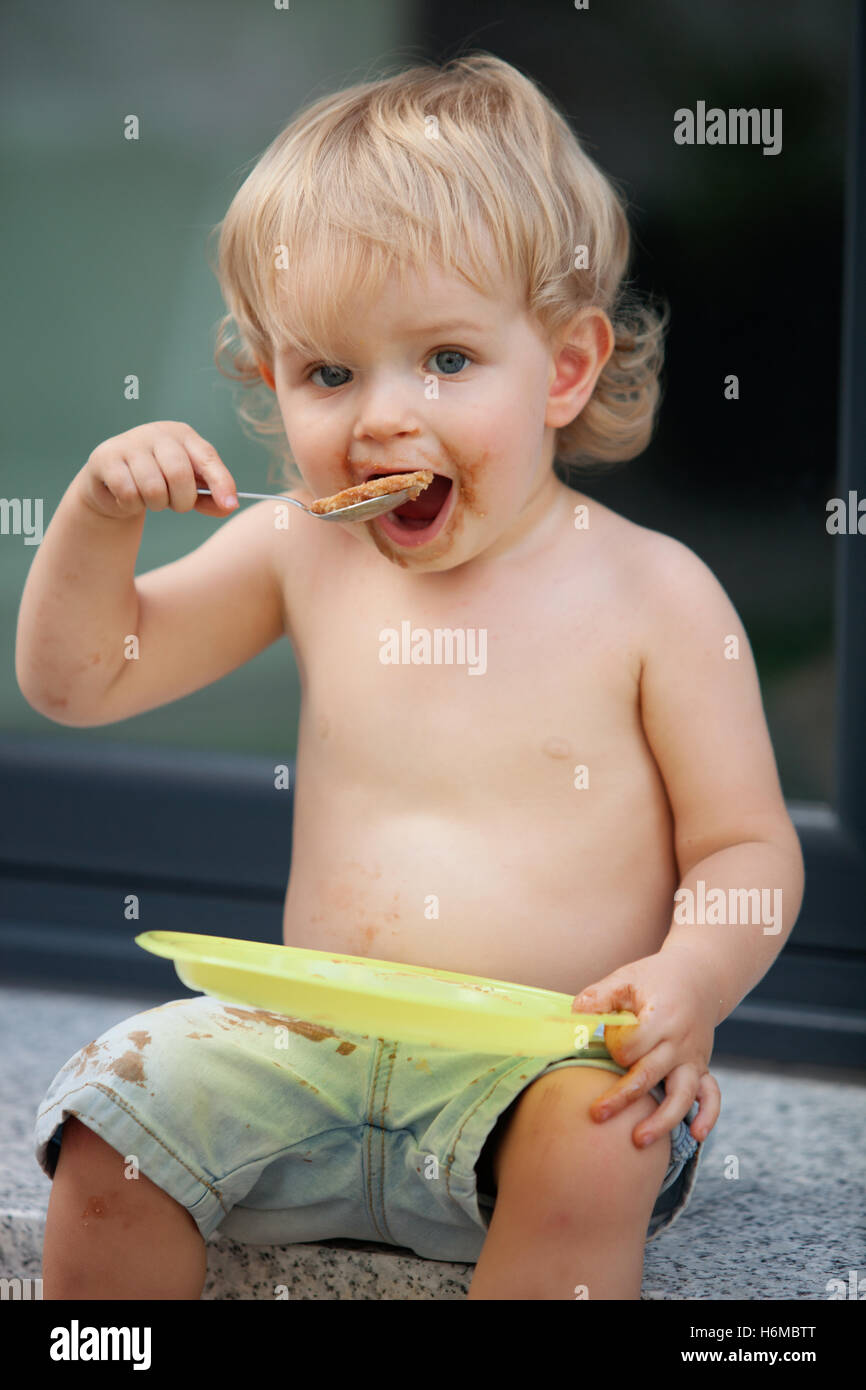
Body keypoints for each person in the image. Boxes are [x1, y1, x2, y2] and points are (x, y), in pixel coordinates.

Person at [17, 52, 804, 1301]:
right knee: (112, 1114)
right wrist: (99, 520)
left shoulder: (653, 594)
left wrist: (685, 978)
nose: (382, 418)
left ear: (560, 368)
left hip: (541, 1066)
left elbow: (747, 851)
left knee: (599, 1144)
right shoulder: (297, 549)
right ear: (272, 382)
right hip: (306, 1054)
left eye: (443, 359)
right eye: (329, 372)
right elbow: (80, 683)